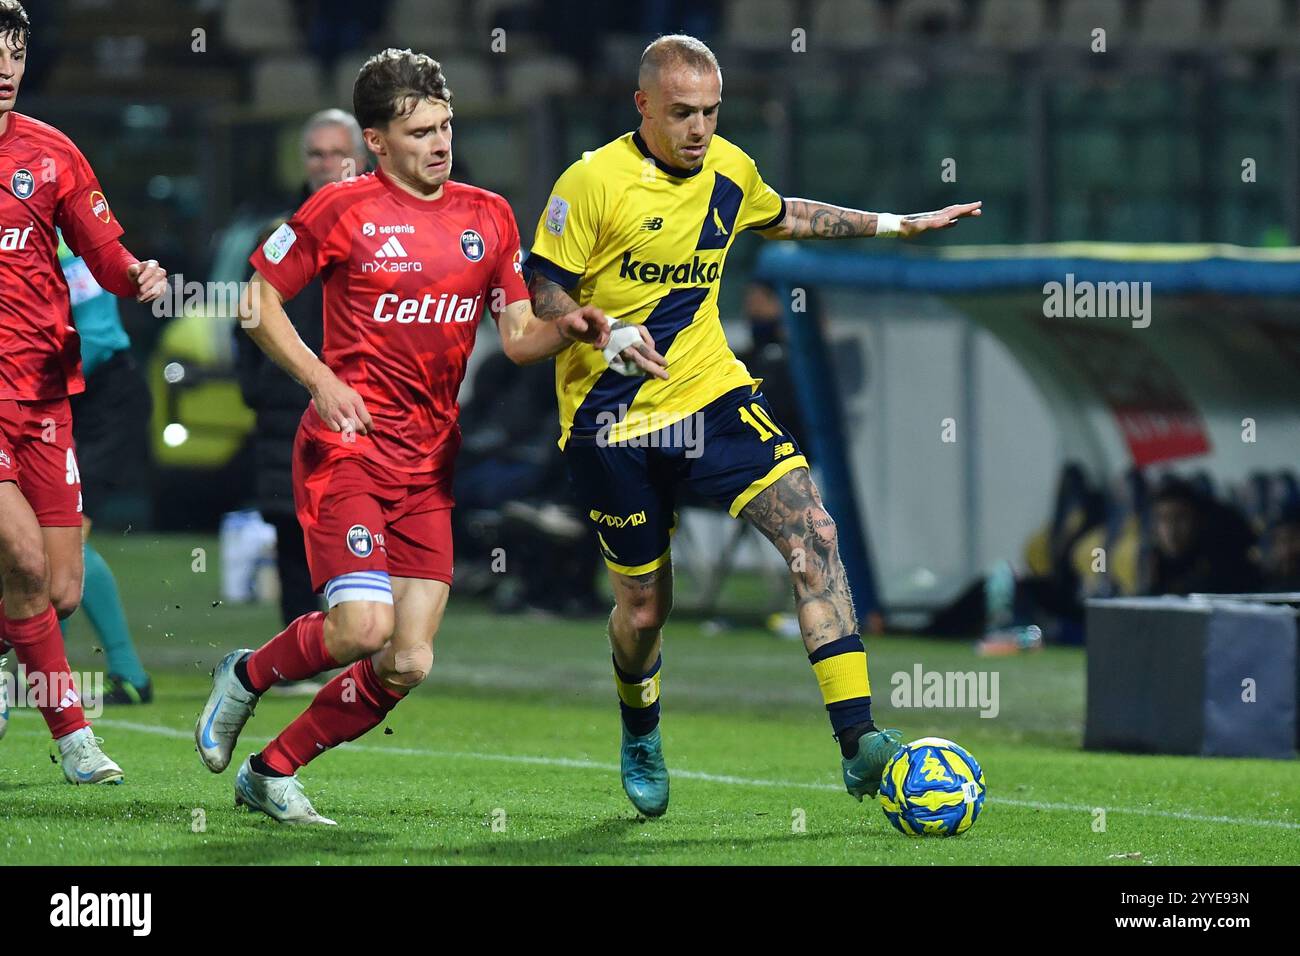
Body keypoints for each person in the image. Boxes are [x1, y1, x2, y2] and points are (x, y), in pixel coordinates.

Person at [524, 34, 981, 818]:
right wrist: (604, 331)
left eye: (709, 112)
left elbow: (786, 214)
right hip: (611, 423)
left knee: (816, 533)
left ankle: (859, 741)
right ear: (643, 106)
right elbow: (544, 291)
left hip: (709, 397)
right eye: (681, 114)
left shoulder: (730, 169)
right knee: (642, 612)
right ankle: (641, 726)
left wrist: (894, 225)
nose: (699, 129)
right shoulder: (592, 182)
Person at [195, 49, 625, 825]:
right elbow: (257, 304)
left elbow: (520, 334)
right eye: (421, 130)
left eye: (447, 126)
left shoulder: (488, 215)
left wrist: (575, 327)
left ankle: (273, 769)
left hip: (430, 467)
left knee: (408, 660)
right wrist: (322, 380)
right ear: (377, 141)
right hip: (347, 452)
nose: (440, 142)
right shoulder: (340, 209)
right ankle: (248, 674)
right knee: (364, 627)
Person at [0, 1, 167, 783]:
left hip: (44, 397)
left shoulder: (53, 153)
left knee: (60, 590)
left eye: (16, 51)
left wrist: (137, 276)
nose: (5, 67)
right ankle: (75, 737)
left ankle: (12, 666)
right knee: (25, 563)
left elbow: (107, 257)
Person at [236, 109, 369, 648]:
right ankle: (298, 647)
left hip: (363, 405)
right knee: (293, 533)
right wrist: (262, 388)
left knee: (359, 525)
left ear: (360, 156)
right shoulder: (280, 233)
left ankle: (367, 645)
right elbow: (245, 315)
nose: (326, 164)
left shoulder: (383, 230)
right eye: (315, 153)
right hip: (288, 407)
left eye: (337, 152)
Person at [59, 230, 155, 703]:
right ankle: (127, 673)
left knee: (62, 537)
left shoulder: (60, 241)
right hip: (64, 400)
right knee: (50, 539)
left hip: (103, 401)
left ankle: (53, 681)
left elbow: (95, 336)